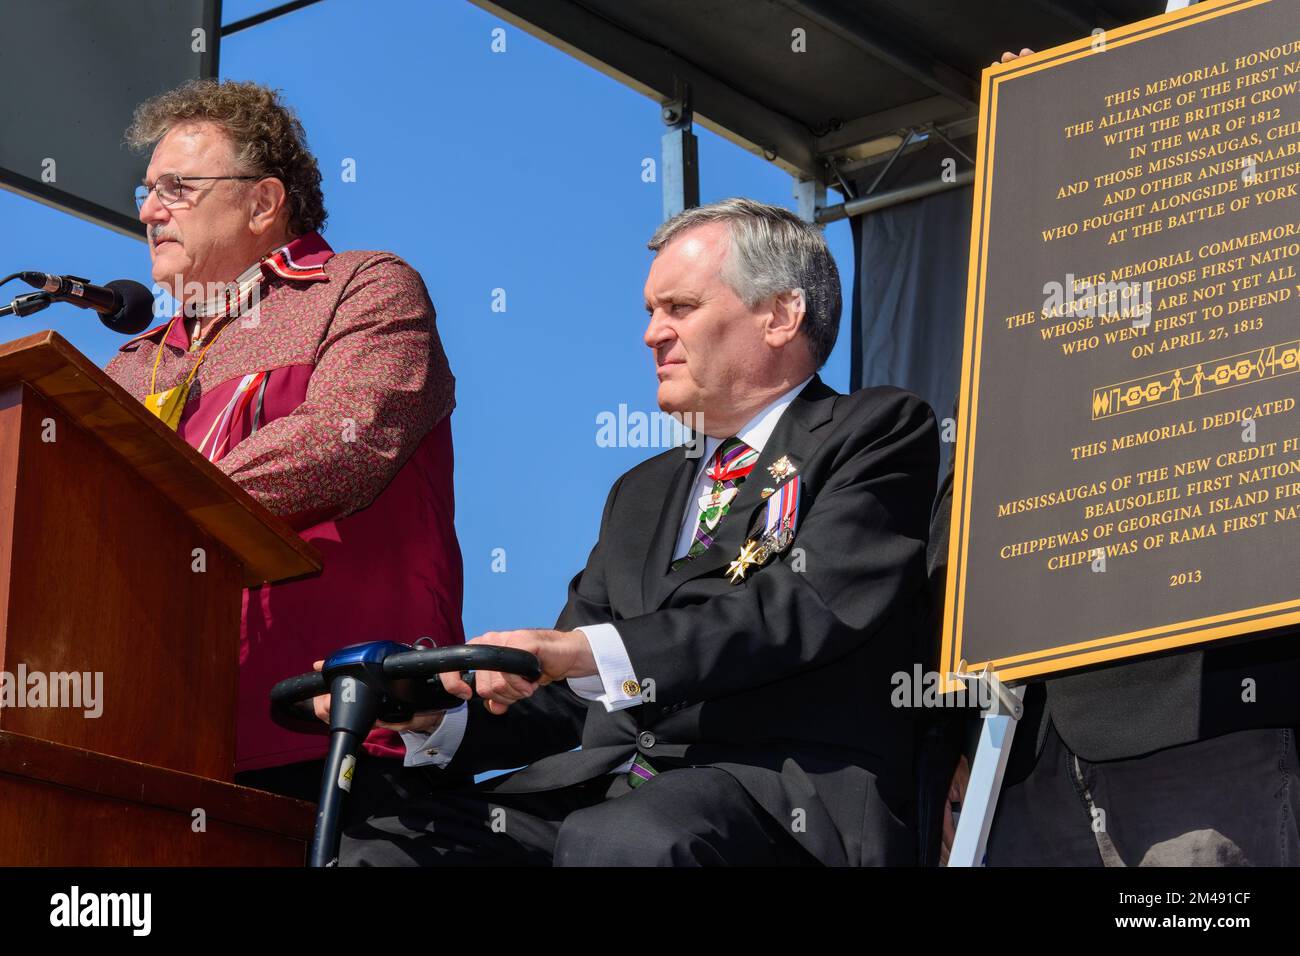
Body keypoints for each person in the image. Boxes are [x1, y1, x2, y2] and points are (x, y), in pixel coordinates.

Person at [332, 197, 938, 866]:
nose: (653, 334)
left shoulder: (875, 431)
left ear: (780, 315)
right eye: (650, 312)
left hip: (776, 796)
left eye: (679, 308)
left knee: (624, 839)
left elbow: (800, 608)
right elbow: (563, 697)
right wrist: (431, 714)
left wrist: (582, 652)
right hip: (611, 793)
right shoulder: (641, 493)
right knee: (383, 850)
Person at [933, 49, 1300, 867]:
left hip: (1195, 738)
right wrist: (956, 740)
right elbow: (957, 562)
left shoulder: (1248, 294)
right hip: (1020, 765)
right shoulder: (1013, 355)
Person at [104, 79, 464, 798]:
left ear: (265, 201)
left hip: (339, 723)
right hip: (154, 737)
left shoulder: (361, 288)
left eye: (177, 188)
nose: (149, 211)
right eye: (146, 190)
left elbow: (344, 442)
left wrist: (151, 517)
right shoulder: (132, 362)